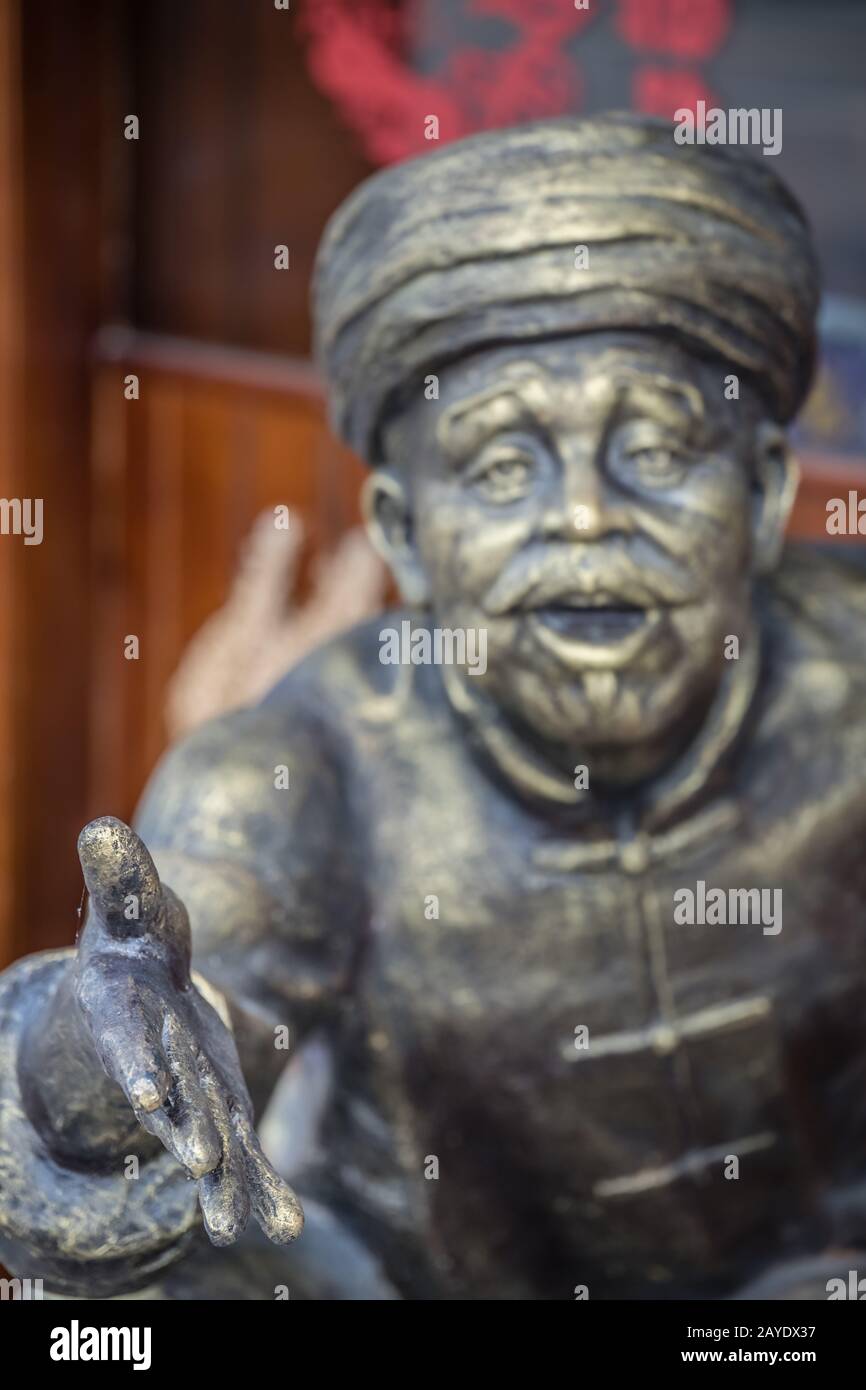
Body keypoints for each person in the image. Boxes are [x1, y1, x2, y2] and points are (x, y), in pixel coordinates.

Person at [2, 114, 865, 1301]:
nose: (580, 519)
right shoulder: (303, 763)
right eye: (501, 467)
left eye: (657, 450)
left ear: (764, 494)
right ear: (404, 534)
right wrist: (97, 1065)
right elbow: (197, 984)